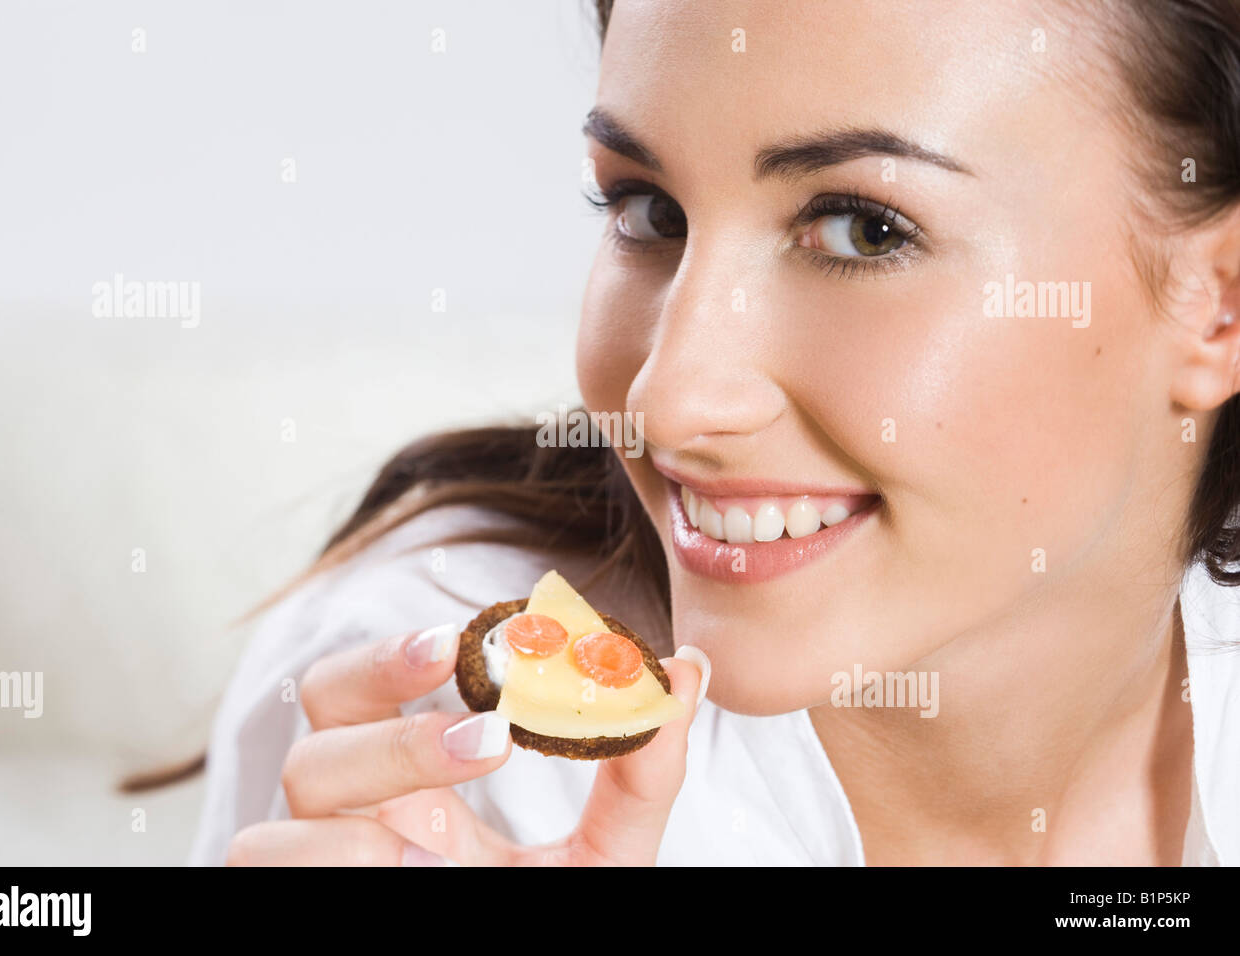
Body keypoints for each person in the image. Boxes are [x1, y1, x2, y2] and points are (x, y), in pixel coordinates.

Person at [191, 0, 1240, 865]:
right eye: (647, 210)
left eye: (862, 229)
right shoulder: (443, 747)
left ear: (1219, 303)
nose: (665, 399)